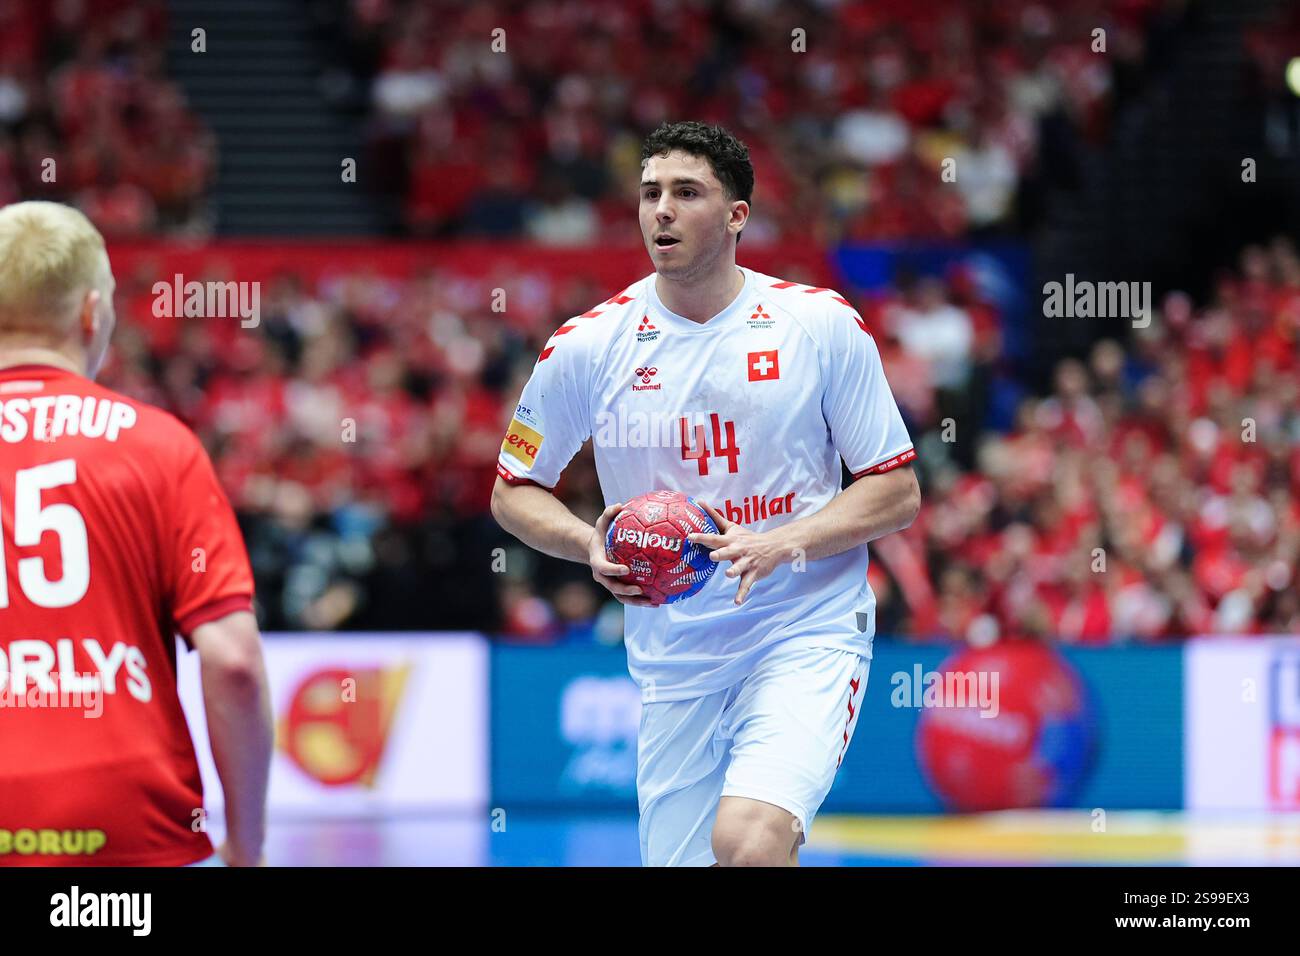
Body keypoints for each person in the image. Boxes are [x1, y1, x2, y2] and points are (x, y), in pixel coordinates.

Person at [492, 122, 921, 866]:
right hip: (674, 658)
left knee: (748, 844)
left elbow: (896, 488)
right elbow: (513, 491)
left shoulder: (817, 324)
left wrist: (785, 541)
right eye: (650, 192)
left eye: (687, 193)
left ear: (736, 215)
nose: (661, 209)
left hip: (805, 627)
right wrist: (587, 543)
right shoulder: (588, 347)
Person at [0, 201, 271, 867]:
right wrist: (248, 846)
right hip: (129, 826)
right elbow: (233, 664)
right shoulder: (157, 446)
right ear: (93, 313)